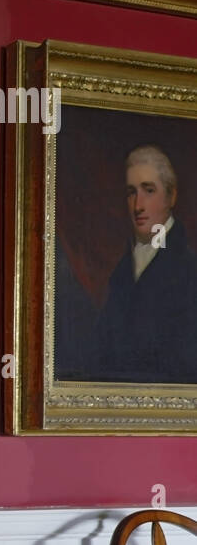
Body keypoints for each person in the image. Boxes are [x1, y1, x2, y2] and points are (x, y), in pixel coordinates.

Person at [97, 145, 197, 383]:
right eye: (131, 192)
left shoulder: (189, 272)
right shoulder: (121, 273)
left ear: (171, 197)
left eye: (149, 190)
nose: (137, 206)